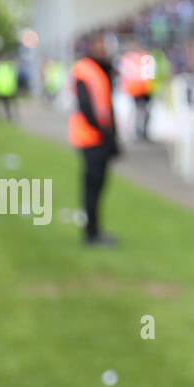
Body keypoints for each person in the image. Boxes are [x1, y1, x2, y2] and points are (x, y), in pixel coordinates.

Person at [69, 36, 120, 247]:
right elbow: (87, 107)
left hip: (99, 137)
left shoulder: (98, 69)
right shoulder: (85, 69)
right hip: (91, 138)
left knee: (98, 186)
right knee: (92, 186)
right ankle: (91, 233)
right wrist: (105, 134)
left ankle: (95, 230)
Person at [0, 56, 19, 122]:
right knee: (8, 104)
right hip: (9, 89)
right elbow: (14, 78)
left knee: (0, 104)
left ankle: (0, 116)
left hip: (0, 89)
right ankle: (10, 116)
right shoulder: (10, 68)